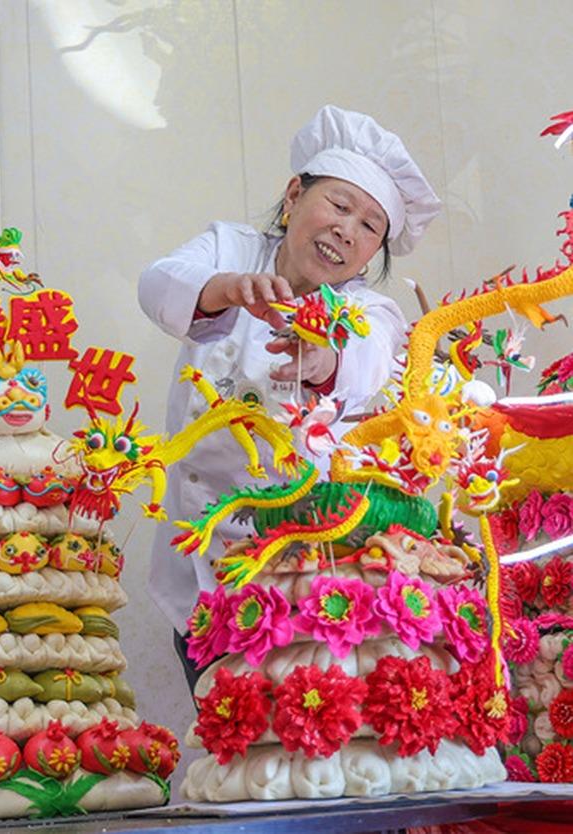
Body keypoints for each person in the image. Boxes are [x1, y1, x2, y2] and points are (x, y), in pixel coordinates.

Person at [138, 105, 441, 686]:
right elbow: (158, 283)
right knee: (226, 739)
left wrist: (326, 359)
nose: (347, 230)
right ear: (294, 194)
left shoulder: (367, 308)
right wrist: (223, 289)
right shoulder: (229, 247)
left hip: (303, 572)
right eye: (339, 204)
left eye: (370, 226)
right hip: (195, 564)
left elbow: (370, 359)